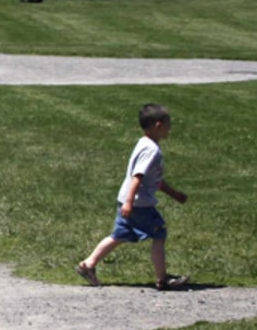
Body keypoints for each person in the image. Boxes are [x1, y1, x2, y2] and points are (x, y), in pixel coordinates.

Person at [76, 104, 189, 291]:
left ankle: (88, 264)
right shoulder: (151, 150)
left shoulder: (143, 143)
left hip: (129, 200)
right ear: (158, 125)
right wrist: (130, 202)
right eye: (169, 124)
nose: (170, 128)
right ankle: (163, 278)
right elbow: (138, 177)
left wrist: (174, 194)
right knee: (159, 233)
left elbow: (155, 180)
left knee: (119, 235)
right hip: (138, 204)